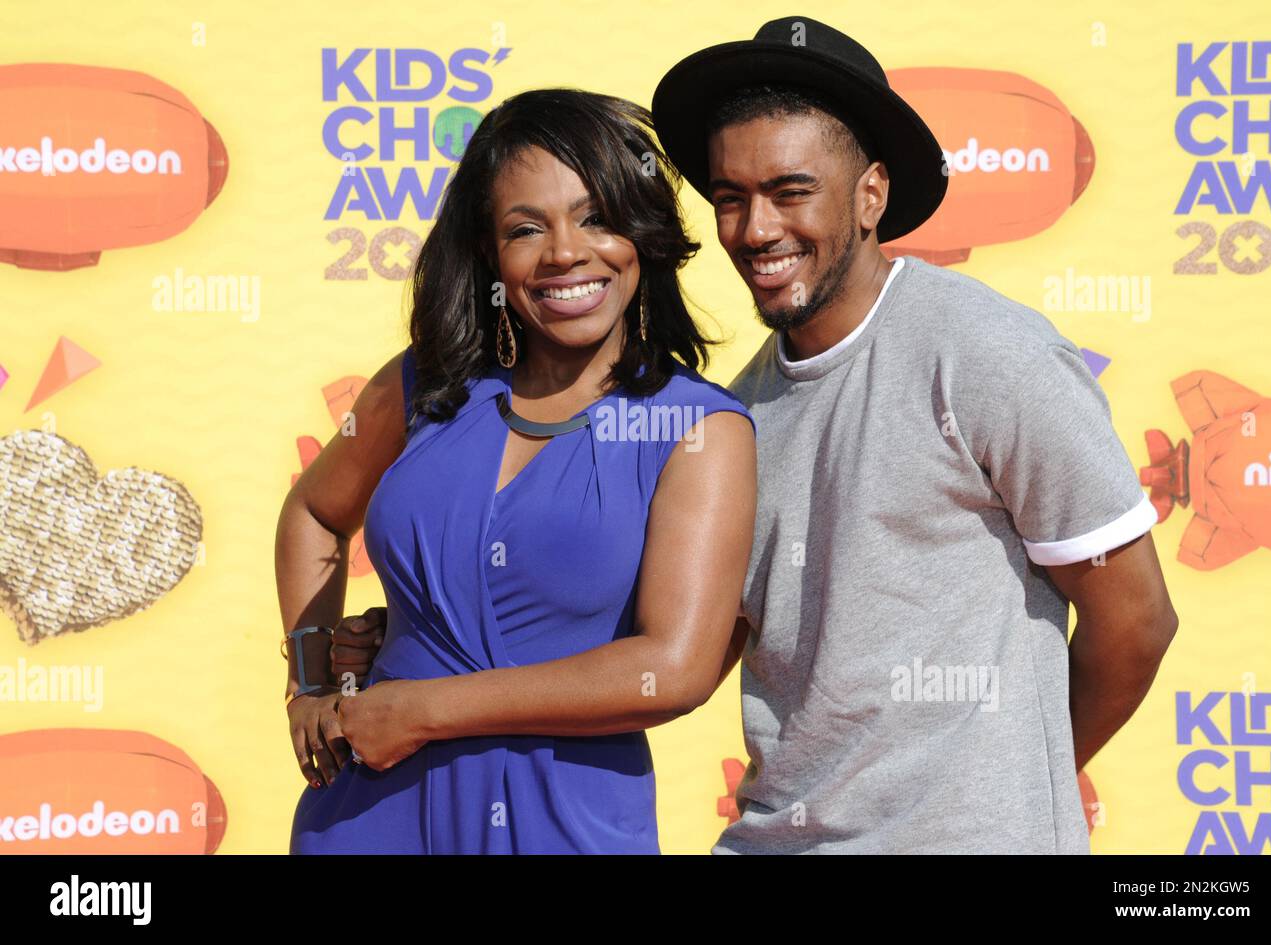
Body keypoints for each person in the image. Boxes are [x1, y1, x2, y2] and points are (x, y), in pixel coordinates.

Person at [645, 16, 1180, 853]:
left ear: (870, 195)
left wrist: (995, 787)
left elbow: (1136, 621)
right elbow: (681, 655)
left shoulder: (989, 353)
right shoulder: (730, 413)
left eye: (791, 192)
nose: (754, 230)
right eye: (730, 198)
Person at [277, 88, 757, 854]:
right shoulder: (420, 385)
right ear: (490, 255)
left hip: (562, 819)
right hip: (368, 813)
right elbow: (314, 512)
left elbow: (673, 669)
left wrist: (428, 709)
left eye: (596, 216)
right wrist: (308, 677)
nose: (566, 251)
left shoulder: (701, 427)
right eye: (527, 228)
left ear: (644, 234)